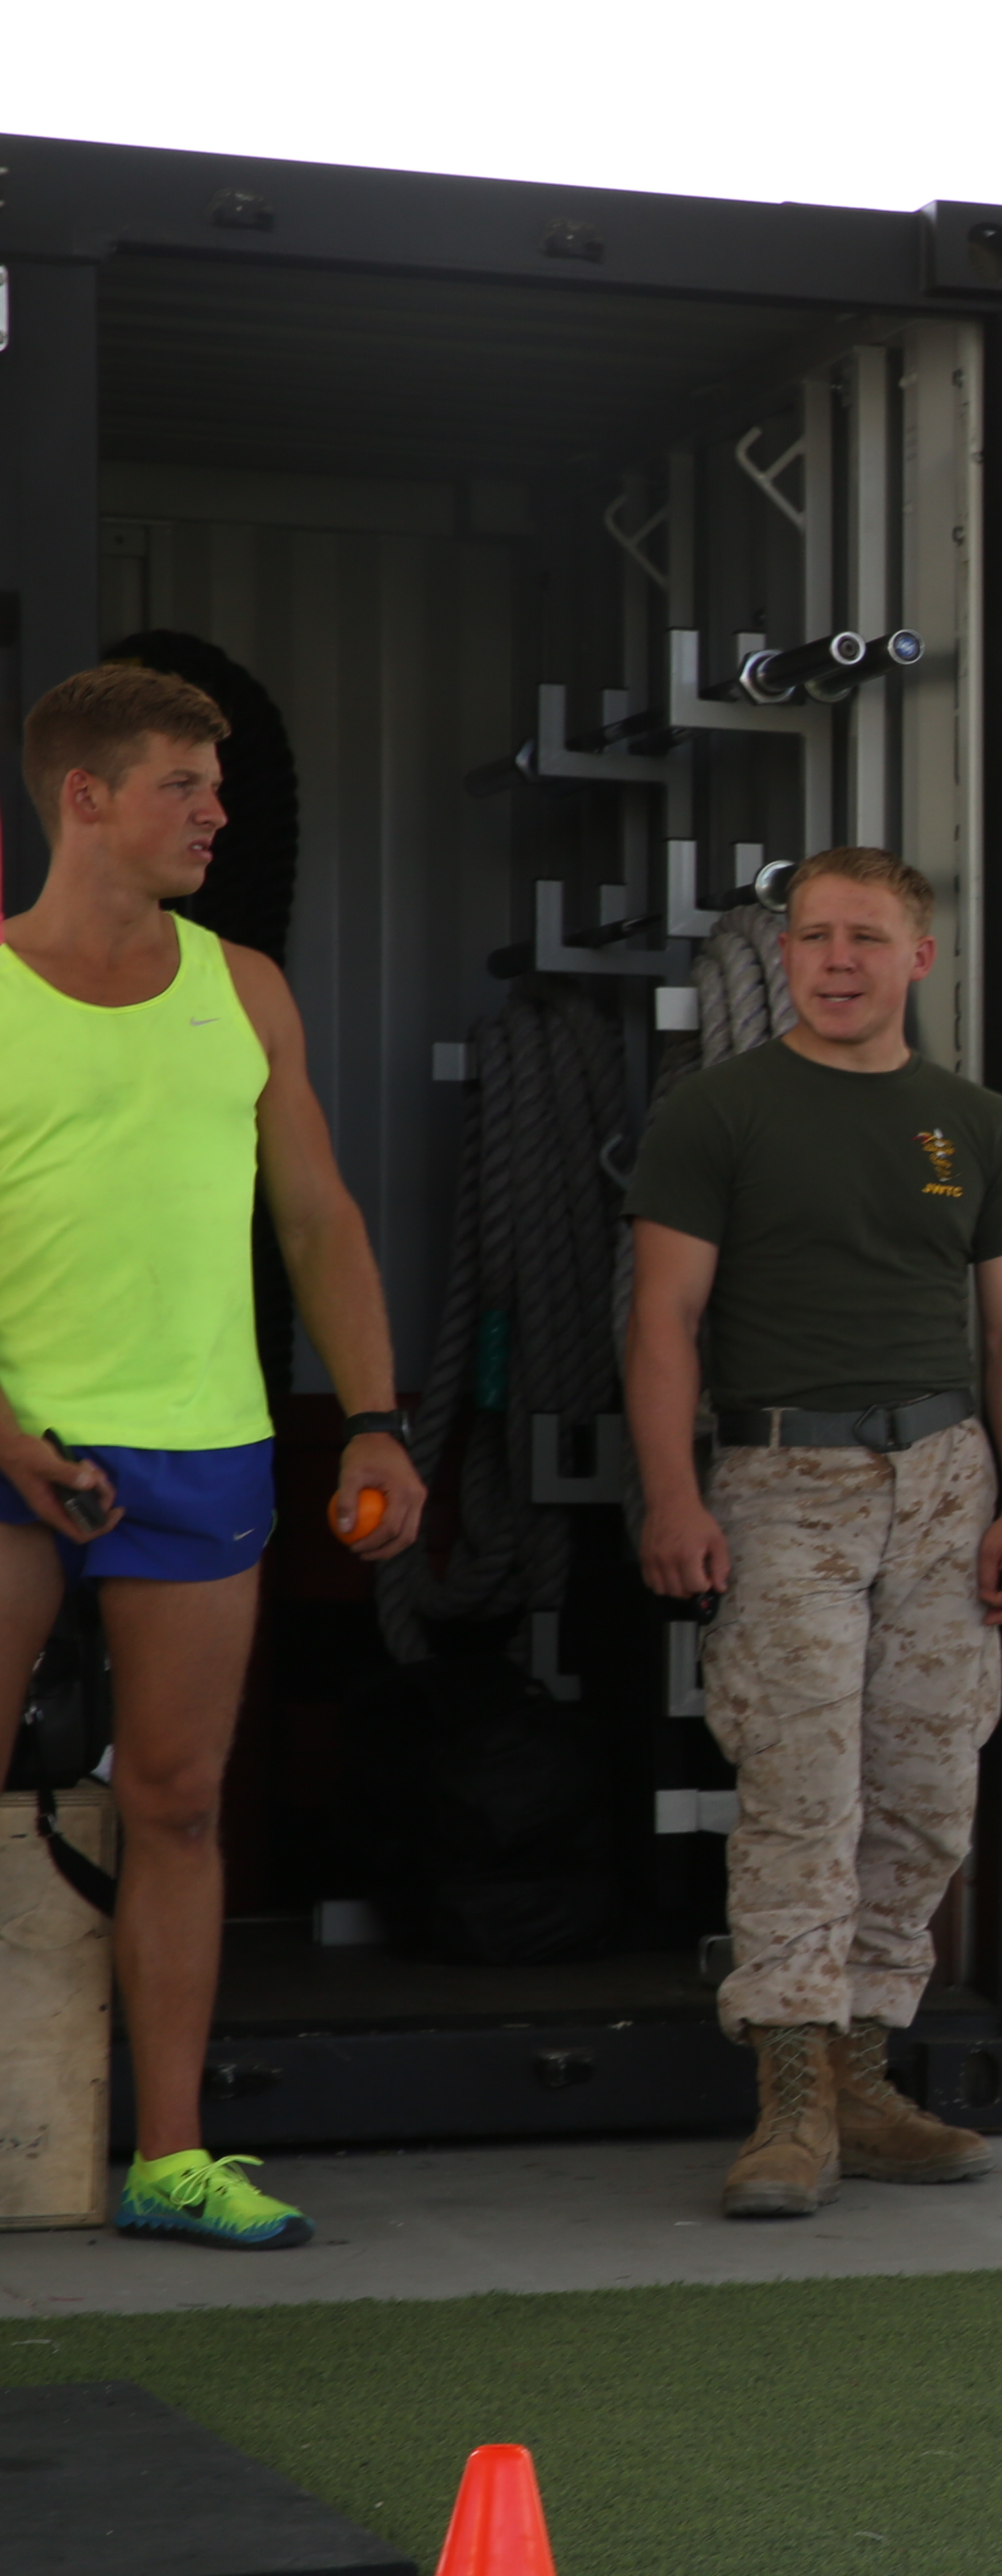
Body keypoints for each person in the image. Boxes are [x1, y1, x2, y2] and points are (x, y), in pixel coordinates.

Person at [0, 664, 427, 2250]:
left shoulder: (242, 983)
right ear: (85, 797)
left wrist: (376, 1418)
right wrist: (13, 1436)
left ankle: (170, 2159)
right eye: (185, 782)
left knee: (178, 1804)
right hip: (9, 1444)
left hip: (204, 1447)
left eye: (219, 785)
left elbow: (315, 1216)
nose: (216, 811)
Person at [627, 845, 1002, 2220]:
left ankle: (869, 2077)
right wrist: (675, 1493)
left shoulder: (977, 1125)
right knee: (800, 1786)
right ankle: (792, 2105)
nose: (834, 960)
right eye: (814, 936)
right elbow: (662, 1324)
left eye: (865, 938)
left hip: (946, 1475)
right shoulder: (719, 1114)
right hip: (781, 1477)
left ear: (918, 959)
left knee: (928, 1790)